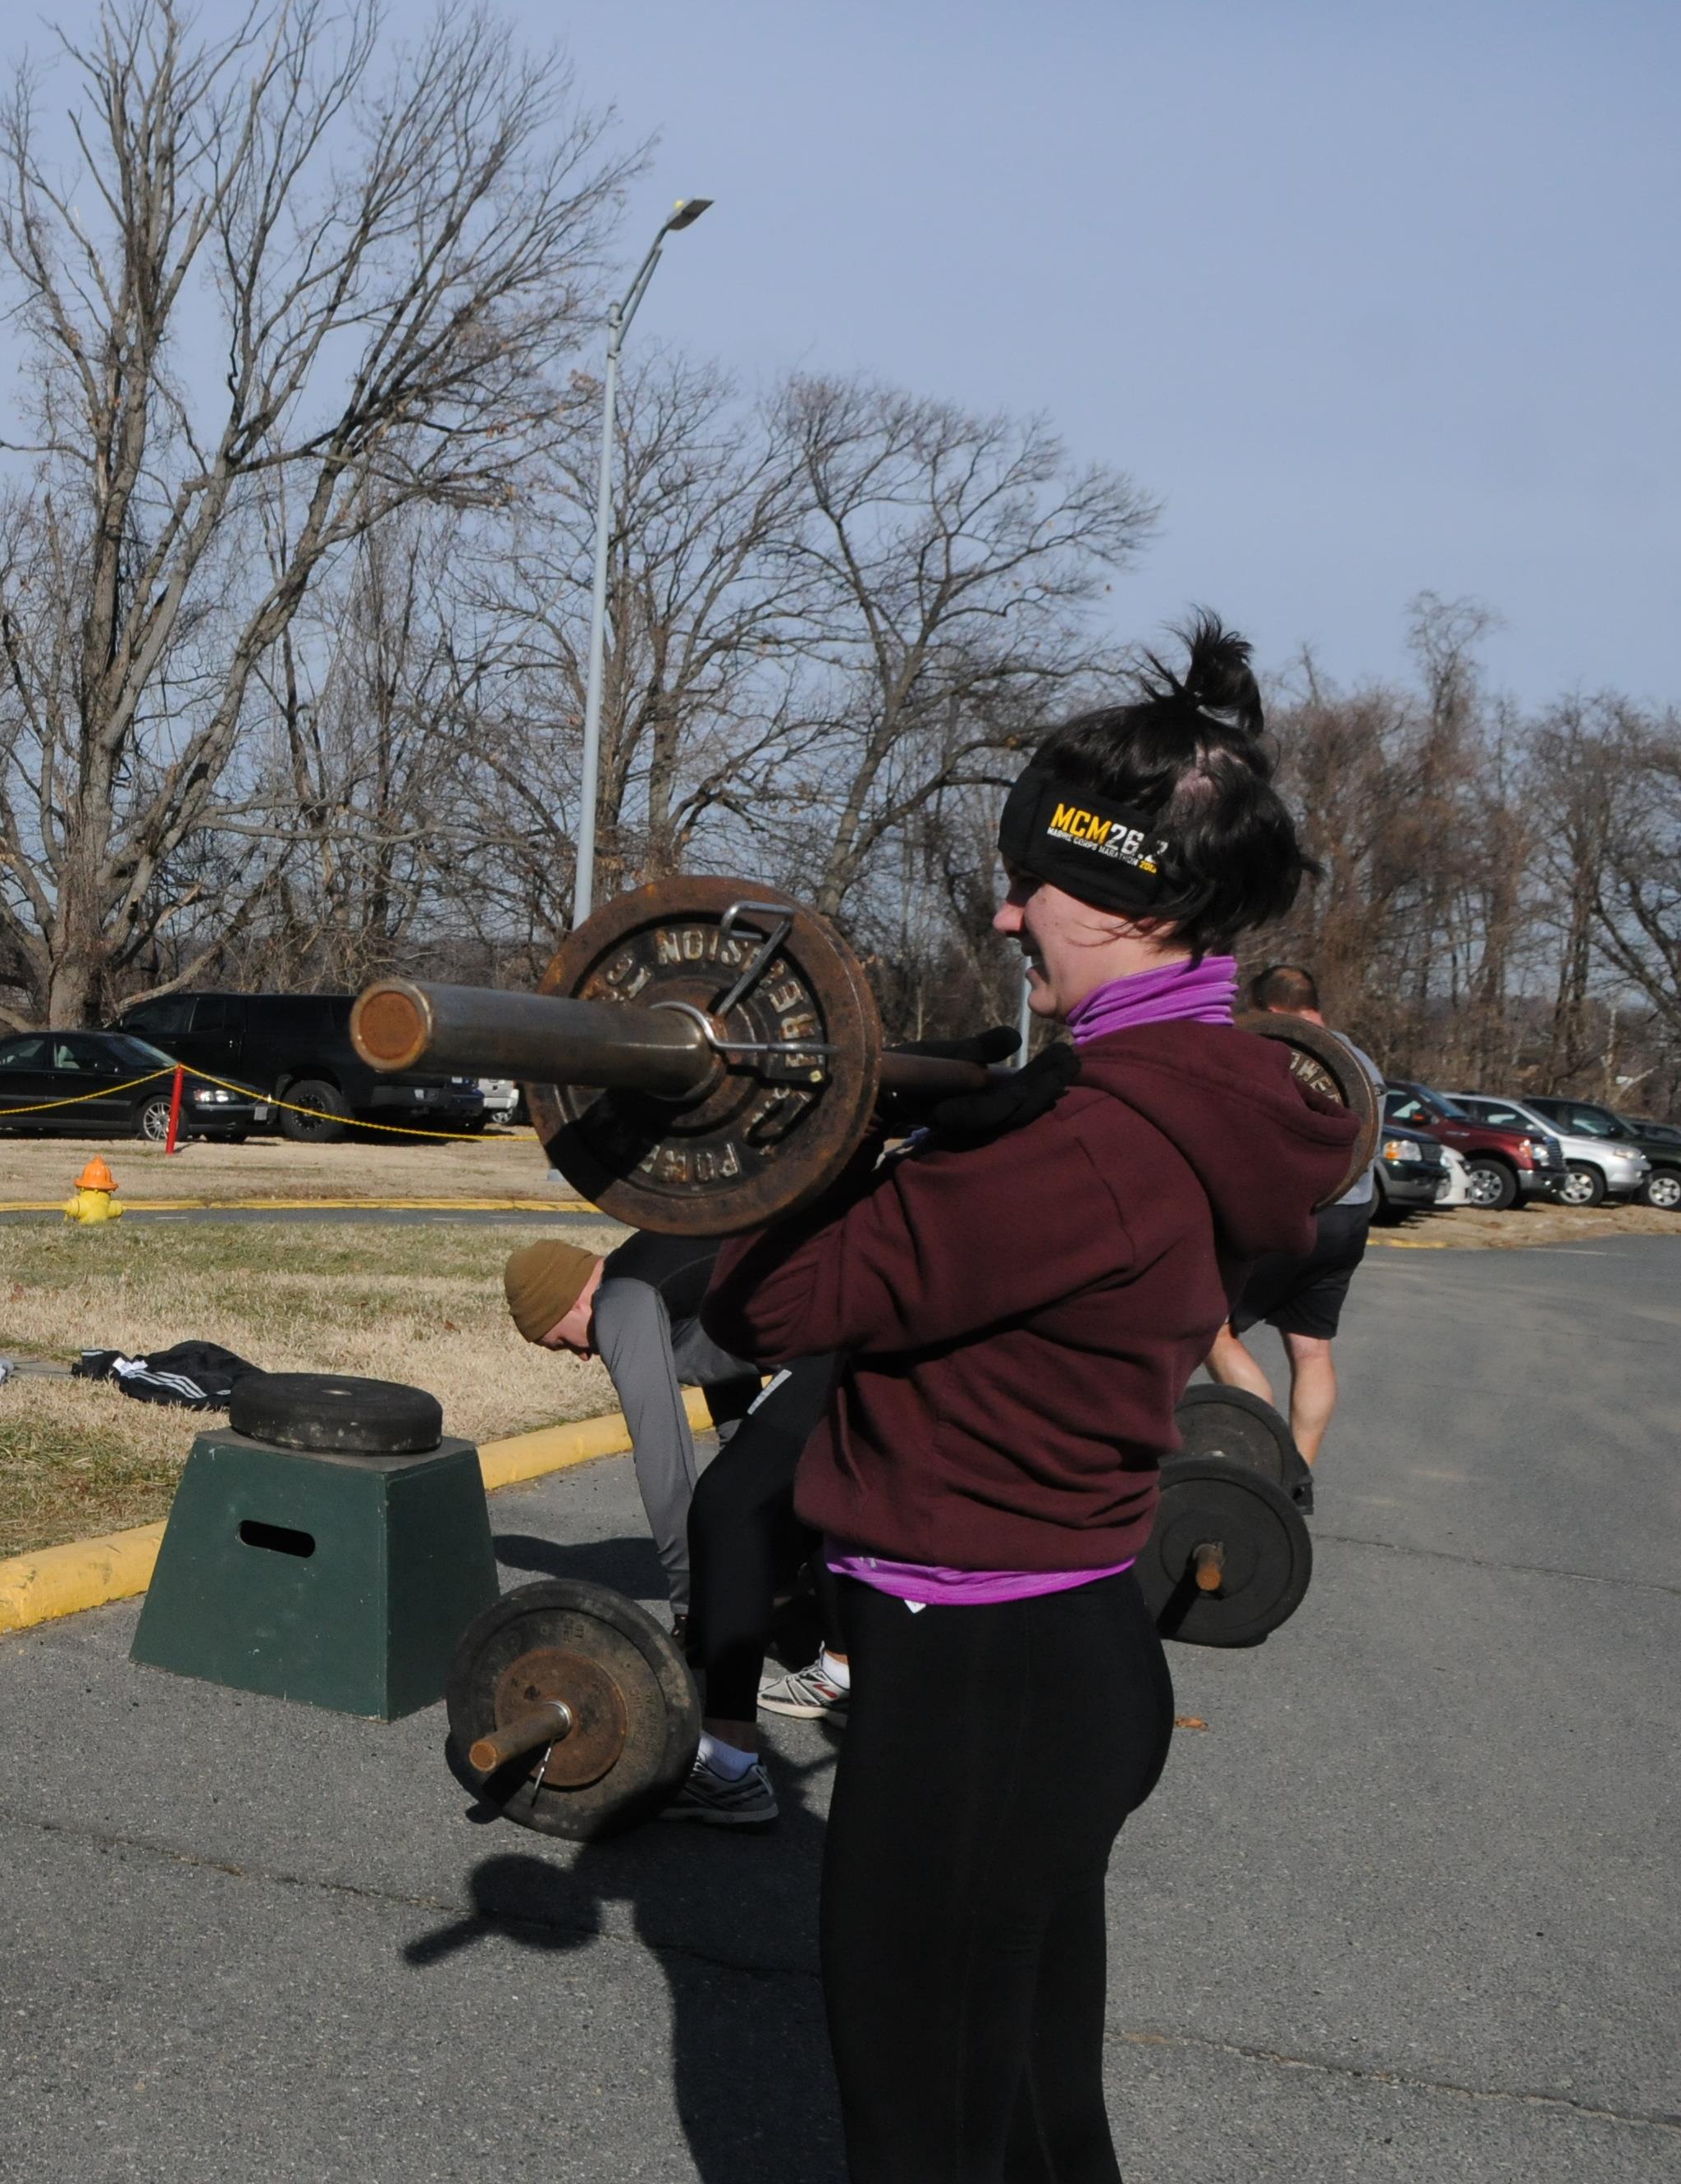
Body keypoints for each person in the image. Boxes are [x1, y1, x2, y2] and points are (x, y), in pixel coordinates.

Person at [705, 617, 1356, 2182]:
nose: (1004, 911)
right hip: (1053, 1652)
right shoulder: (1170, 1092)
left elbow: (766, 1303)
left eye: (1031, 886)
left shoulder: (1082, 1145)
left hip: (979, 1679)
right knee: (1043, 2124)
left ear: (1133, 902)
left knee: (922, 2132)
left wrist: (804, 1138)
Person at [504, 1233, 846, 1830]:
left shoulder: (620, 1300)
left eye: (561, 1344)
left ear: (575, 1304)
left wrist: (695, 1608)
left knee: (722, 1509)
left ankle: (729, 1772)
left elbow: (661, 1456)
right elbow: (734, 1374)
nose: (583, 1359)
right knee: (779, 1490)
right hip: (850, 1323)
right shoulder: (668, 1280)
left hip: (845, 1333)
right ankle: (844, 1668)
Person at [1202, 961, 1378, 1472]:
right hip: (1350, 1222)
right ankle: (1296, 1478)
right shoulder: (1361, 1062)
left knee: (1214, 1331)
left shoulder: (1273, 1052)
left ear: (1275, 1013)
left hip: (1297, 1216)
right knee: (1312, 1352)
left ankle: (1262, 1459)